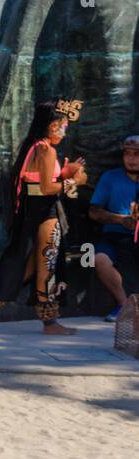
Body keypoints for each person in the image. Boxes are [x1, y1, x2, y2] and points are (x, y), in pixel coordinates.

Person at [0, 100, 87, 333]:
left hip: (32, 208)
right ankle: (49, 322)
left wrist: (65, 171)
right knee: (47, 264)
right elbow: (47, 188)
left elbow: (36, 180)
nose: (64, 132)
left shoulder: (35, 146)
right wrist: (74, 181)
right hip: (44, 210)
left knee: (33, 264)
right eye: (63, 126)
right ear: (53, 125)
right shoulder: (47, 150)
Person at [89, 135, 139, 321]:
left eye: (136, 154)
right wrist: (120, 220)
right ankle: (124, 306)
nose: (131, 159)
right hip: (115, 235)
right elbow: (93, 212)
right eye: (128, 154)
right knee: (96, 259)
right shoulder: (110, 177)